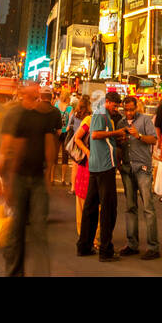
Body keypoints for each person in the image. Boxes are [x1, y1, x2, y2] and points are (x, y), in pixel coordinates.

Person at [0, 81, 59, 276]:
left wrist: (49, 176)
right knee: (17, 229)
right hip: (19, 178)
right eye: (31, 91)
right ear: (23, 93)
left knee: (39, 229)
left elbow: (49, 145)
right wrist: (1, 178)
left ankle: (38, 272)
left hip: (37, 177)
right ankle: (14, 271)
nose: (34, 94)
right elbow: (6, 148)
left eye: (35, 91)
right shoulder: (15, 115)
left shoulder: (44, 115)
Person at [77, 90, 124, 261]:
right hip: (104, 166)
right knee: (108, 209)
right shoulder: (101, 114)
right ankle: (105, 250)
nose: (116, 108)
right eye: (115, 104)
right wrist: (116, 133)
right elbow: (96, 135)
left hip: (97, 167)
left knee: (90, 208)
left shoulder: (102, 114)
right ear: (107, 102)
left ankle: (84, 245)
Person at [118, 95, 160, 259]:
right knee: (130, 207)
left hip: (142, 167)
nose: (129, 113)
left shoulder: (145, 120)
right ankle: (132, 244)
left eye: (131, 109)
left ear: (136, 108)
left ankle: (153, 247)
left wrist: (139, 136)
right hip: (127, 168)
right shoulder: (121, 123)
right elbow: (119, 144)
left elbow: (154, 139)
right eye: (126, 110)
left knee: (148, 207)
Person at [70, 94, 93, 231]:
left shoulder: (76, 115)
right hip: (86, 153)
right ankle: (86, 230)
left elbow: (70, 128)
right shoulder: (89, 119)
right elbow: (78, 137)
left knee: (76, 170)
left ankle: (74, 187)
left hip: (80, 154)